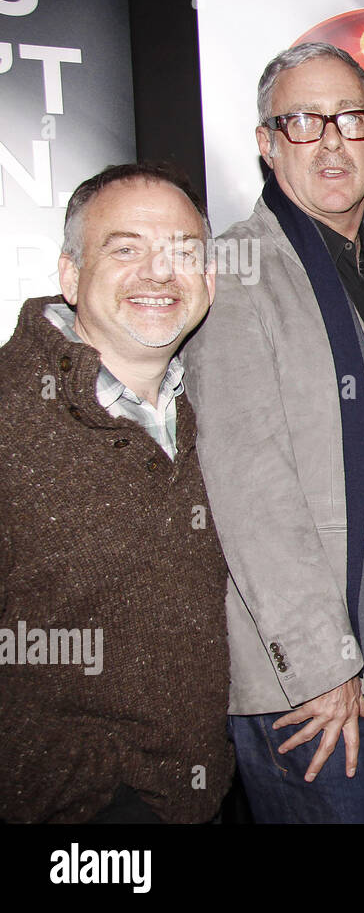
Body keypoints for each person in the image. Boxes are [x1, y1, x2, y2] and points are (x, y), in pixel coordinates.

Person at [185, 43, 364, 823]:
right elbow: (247, 487)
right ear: (266, 143)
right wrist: (322, 665)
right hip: (311, 681)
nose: (332, 142)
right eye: (303, 122)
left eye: (353, 119)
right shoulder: (235, 266)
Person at [0, 163, 231, 823]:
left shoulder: (213, 412)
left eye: (182, 253)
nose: (158, 274)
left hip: (197, 796)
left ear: (209, 281)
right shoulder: (11, 415)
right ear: (70, 275)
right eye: (125, 248)